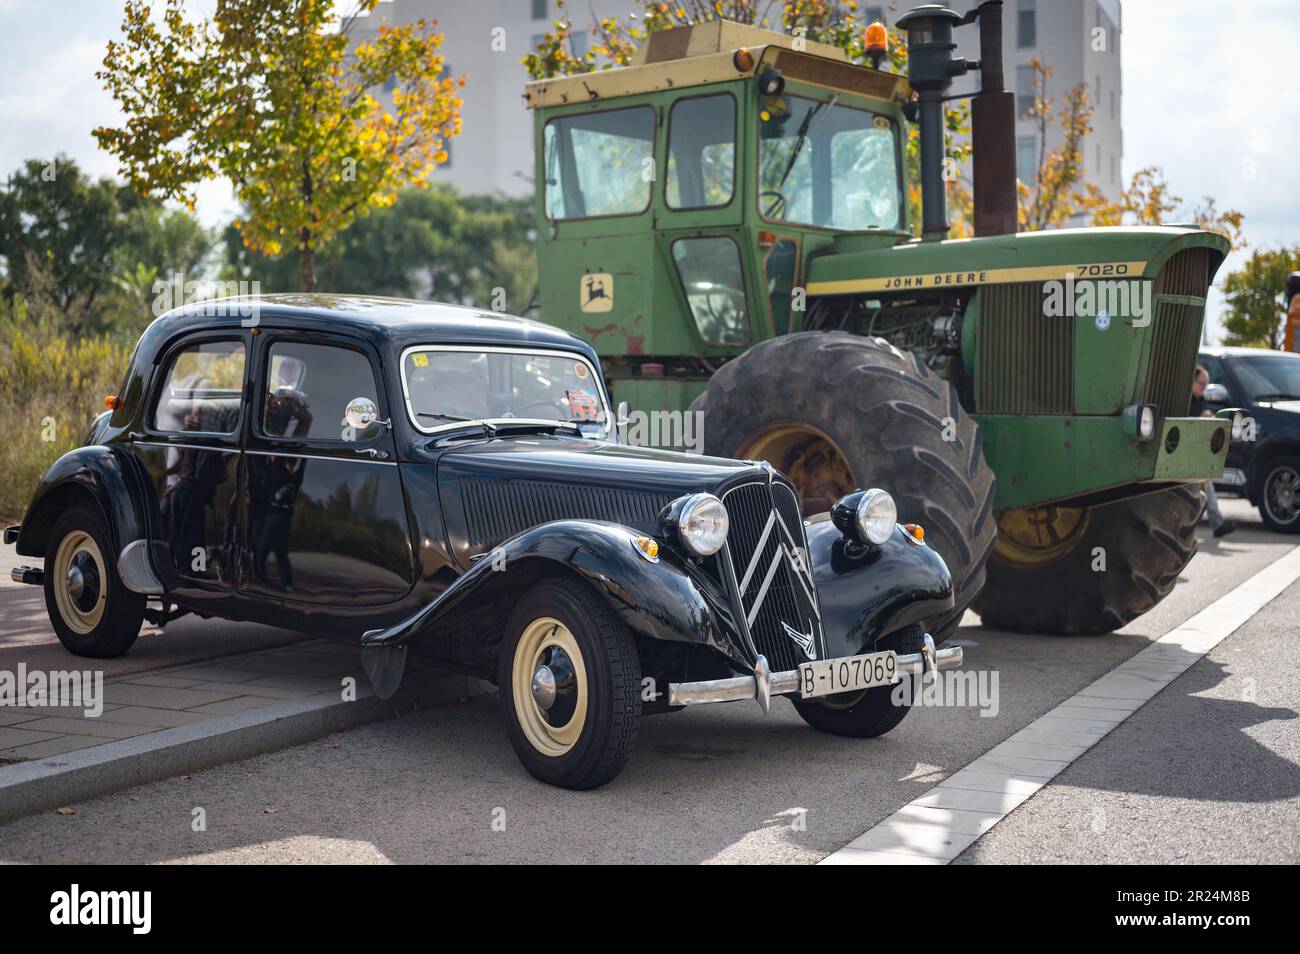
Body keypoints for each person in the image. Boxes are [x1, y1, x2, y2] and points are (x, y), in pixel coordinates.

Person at [1191, 363, 1236, 537]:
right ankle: (1216, 523)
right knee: (1205, 485)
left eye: (1206, 385)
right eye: (1202, 384)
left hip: (1198, 451)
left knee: (1206, 484)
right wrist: (1199, 419)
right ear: (1192, 382)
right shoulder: (1182, 397)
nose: (1204, 388)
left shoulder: (1201, 399)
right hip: (1186, 450)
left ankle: (1216, 523)